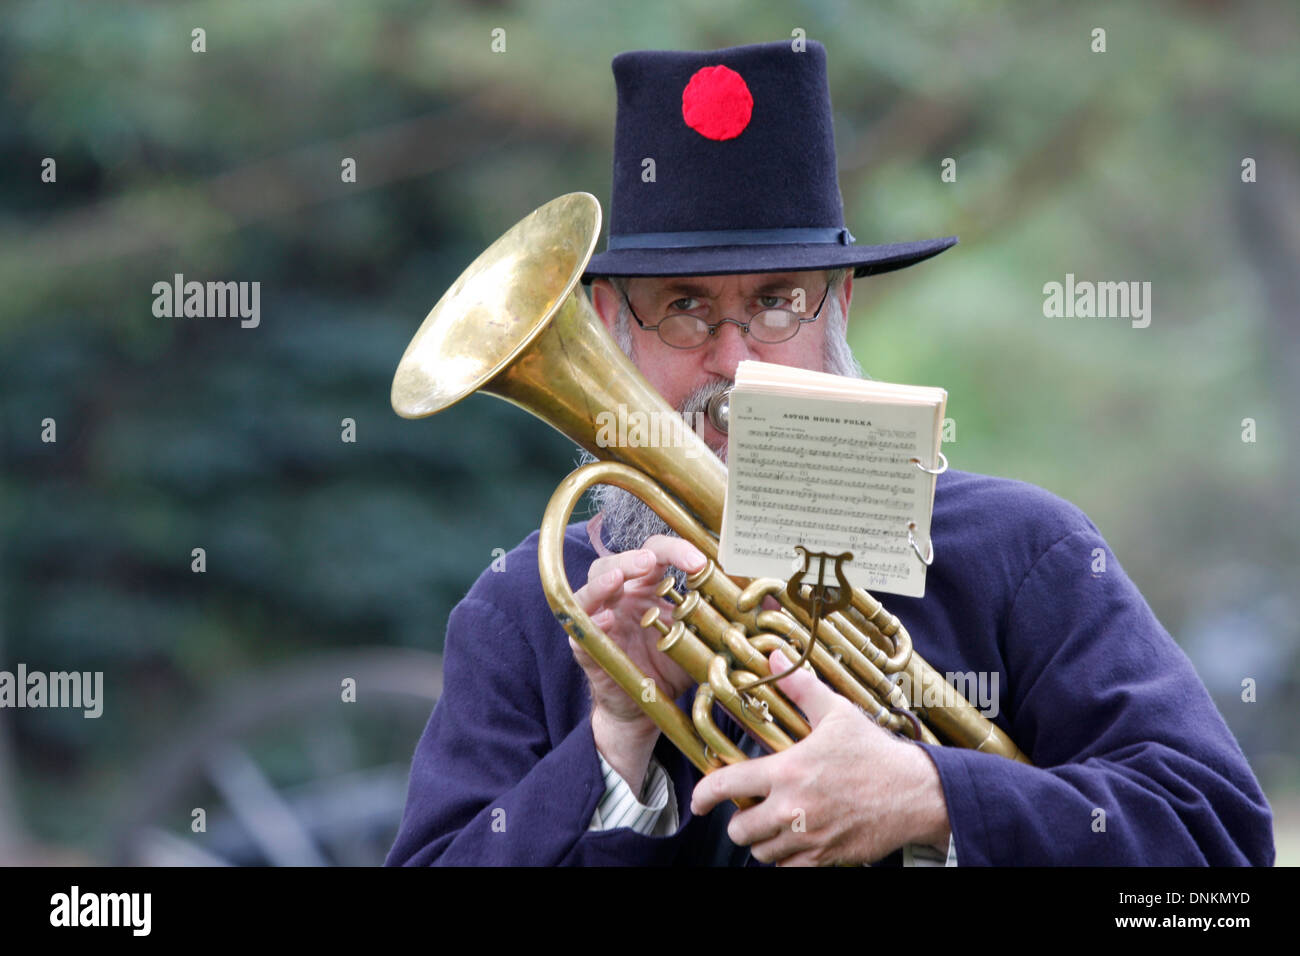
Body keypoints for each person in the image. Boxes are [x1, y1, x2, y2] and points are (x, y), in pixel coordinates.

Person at [386, 40, 1274, 866]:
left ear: (839, 307)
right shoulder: (526, 611)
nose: (732, 360)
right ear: (616, 324)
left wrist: (936, 797)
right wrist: (617, 738)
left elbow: (1219, 854)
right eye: (683, 307)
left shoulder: (1023, 551)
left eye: (777, 303)